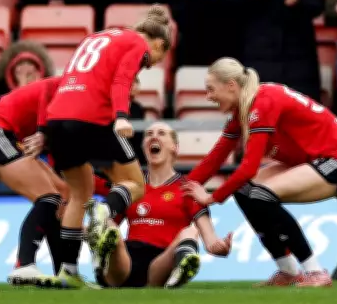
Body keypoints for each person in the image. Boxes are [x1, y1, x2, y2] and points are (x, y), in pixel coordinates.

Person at [184, 57, 337, 287]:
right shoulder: (245, 109)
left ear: (231, 85)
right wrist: (180, 188)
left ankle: (316, 272)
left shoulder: (263, 102)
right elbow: (214, 160)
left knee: (261, 194)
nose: (208, 97)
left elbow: (249, 168)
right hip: (315, 159)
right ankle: (288, 271)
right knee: (243, 191)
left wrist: (212, 198)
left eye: (211, 89)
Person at [38, 5, 172, 289]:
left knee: (79, 194)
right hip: (92, 116)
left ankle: (68, 272)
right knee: (135, 183)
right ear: (159, 43)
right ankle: (104, 212)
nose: (151, 63)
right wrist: (122, 116)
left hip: (58, 118)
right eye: (157, 58)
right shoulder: (137, 42)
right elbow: (123, 78)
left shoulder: (97, 36)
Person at [94, 122, 233, 289]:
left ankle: (182, 265)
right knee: (107, 222)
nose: (154, 136)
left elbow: (210, 241)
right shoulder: (132, 187)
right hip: (126, 261)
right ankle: (102, 261)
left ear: (175, 147)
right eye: (149, 134)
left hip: (162, 261)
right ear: (144, 147)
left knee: (191, 231)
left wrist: (219, 248)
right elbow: (89, 183)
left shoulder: (187, 189)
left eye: (161, 133)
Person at [0, 76, 67, 285]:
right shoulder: (75, 82)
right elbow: (47, 88)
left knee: (63, 193)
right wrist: (42, 131)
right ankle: (24, 265)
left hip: (2, 135)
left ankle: (63, 271)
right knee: (49, 197)